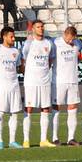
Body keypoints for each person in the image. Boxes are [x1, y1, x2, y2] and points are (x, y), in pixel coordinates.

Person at [20, 20, 56, 148]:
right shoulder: (29, 43)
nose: (41, 29)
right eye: (38, 27)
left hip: (45, 80)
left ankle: (43, 139)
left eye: (42, 27)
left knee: (45, 108)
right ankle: (26, 140)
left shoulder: (49, 43)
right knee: (29, 108)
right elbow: (23, 59)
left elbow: (51, 59)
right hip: (31, 81)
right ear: (33, 29)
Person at [0, 26, 23, 149]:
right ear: (4, 37)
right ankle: (0, 141)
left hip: (14, 85)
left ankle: (12, 141)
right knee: (1, 113)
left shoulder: (16, 52)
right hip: (1, 87)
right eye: (11, 36)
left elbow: (20, 67)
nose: (13, 38)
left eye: (14, 36)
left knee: (14, 113)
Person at [52, 26, 82, 145]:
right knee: (57, 108)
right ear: (65, 34)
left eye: (73, 39)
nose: (71, 41)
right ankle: (55, 138)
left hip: (73, 80)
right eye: (70, 39)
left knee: (73, 108)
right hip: (59, 81)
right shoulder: (55, 43)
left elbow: (79, 57)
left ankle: (71, 138)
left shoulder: (78, 43)